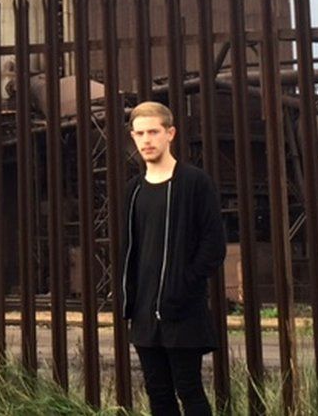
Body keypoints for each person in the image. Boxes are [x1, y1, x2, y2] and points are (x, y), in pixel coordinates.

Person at [122, 101, 226, 416]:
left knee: (190, 392)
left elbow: (213, 244)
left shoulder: (195, 182)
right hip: (143, 313)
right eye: (139, 133)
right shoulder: (134, 189)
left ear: (170, 133)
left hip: (182, 311)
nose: (146, 140)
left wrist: (183, 286)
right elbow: (130, 248)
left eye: (153, 131)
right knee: (158, 396)